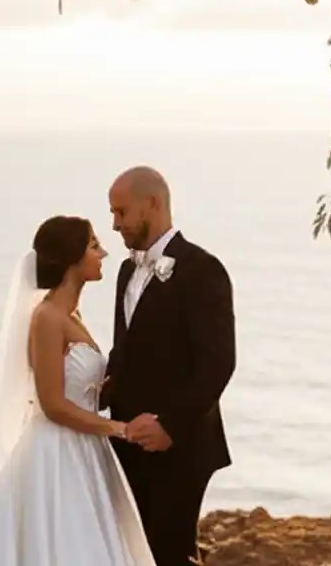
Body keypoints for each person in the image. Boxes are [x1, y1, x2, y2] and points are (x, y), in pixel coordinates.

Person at [0, 216, 155, 565]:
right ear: (72, 258)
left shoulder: (72, 316)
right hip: (56, 451)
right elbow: (52, 403)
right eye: (93, 246)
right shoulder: (46, 318)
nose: (103, 253)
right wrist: (118, 429)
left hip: (84, 448)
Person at [103, 166, 237, 566]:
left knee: (169, 555)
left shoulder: (203, 270)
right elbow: (124, 349)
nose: (114, 224)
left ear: (153, 204)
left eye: (121, 212)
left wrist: (169, 425)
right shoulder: (128, 270)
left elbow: (218, 363)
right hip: (127, 442)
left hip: (179, 446)